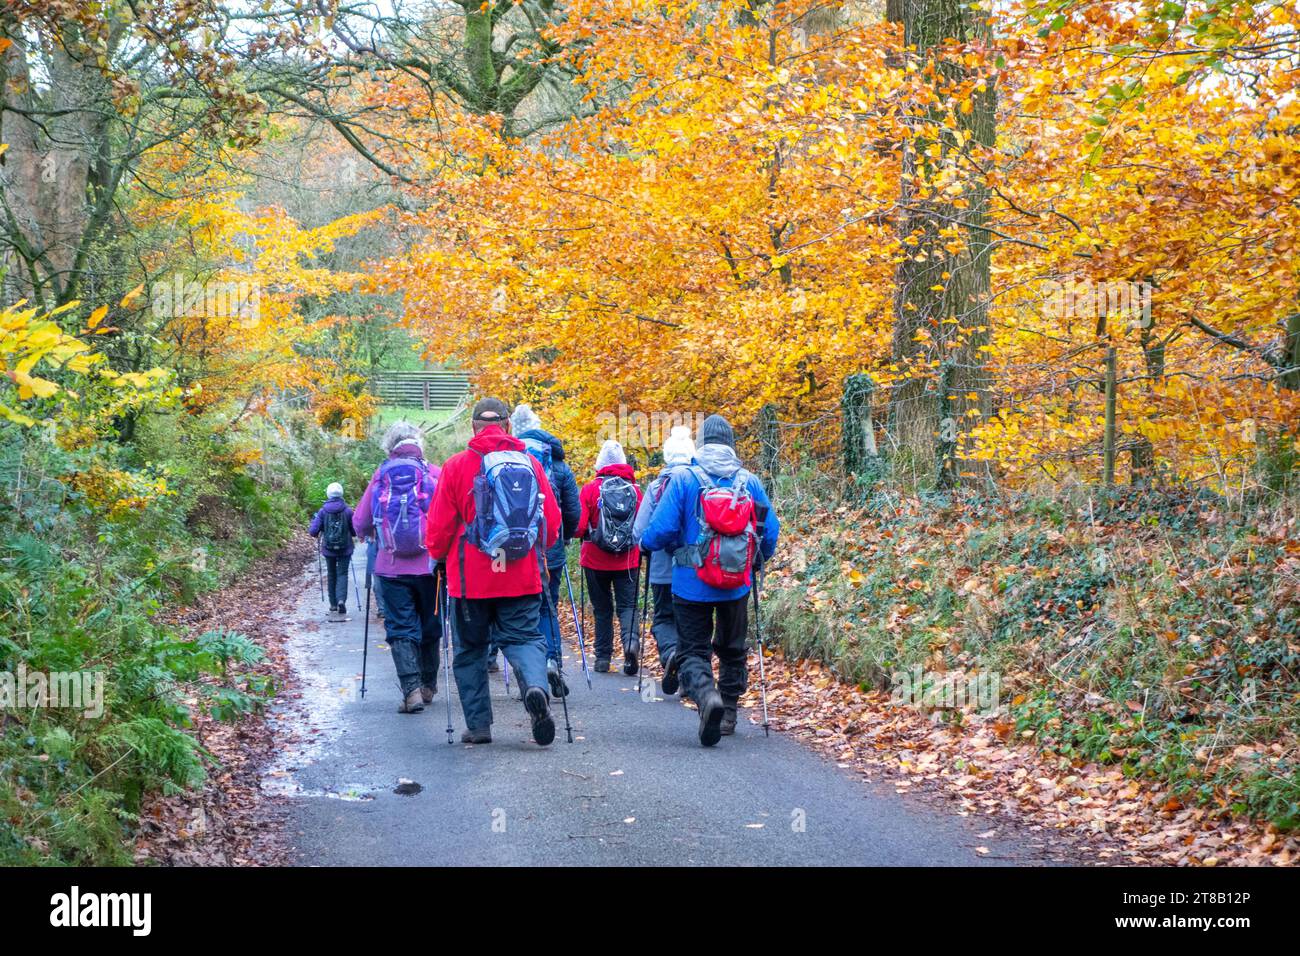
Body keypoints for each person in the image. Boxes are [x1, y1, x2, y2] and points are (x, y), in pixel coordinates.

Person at [424, 398, 562, 746]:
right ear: (508, 426)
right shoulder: (531, 464)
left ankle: (480, 726)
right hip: (522, 575)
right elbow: (552, 525)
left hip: (471, 581)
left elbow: (439, 529)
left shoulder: (455, 467)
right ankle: (534, 686)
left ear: (472, 427)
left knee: (470, 650)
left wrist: (438, 557)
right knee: (525, 639)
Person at [641, 414, 779, 746]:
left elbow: (661, 529)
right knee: (732, 648)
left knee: (692, 650)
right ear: (731, 444)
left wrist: (646, 544)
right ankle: (729, 710)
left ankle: (707, 698)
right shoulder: (749, 480)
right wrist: (754, 564)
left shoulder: (686, 479)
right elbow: (769, 533)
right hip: (736, 584)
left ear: (700, 444)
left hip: (691, 583)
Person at [352, 422, 441, 714]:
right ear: (419, 444)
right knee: (430, 624)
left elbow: (361, 521)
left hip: (390, 568)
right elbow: (449, 518)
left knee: (401, 627)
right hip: (431, 566)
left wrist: (369, 534)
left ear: (390, 447)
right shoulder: (433, 474)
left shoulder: (381, 475)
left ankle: (411, 691)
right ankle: (428, 685)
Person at [511, 403, 582, 697]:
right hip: (549, 546)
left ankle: (533, 674)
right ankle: (552, 660)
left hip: (514, 550)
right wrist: (565, 536)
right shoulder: (558, 465)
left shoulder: (507, 459)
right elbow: (573, 511)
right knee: (548, 606)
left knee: (521, 610)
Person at [632, 425, 695, 694]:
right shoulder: (699, 482)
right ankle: (690, 678)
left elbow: (639, 529)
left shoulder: (658, 486)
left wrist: (646, 546)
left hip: (661, 566)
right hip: (692, 563)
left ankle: (670, 652)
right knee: (692, 620)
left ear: (667, 456)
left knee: (663, 618)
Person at [577, 439, 643, 675]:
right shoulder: (635, 491)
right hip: (627, 559)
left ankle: (603, 658)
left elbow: (579, 526)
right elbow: (642, 526)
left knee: (602, 608)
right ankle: (630, 644)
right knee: (627, 606)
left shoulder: (589, 489)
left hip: (595, 560)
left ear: (600, 463)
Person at [309, 482, 356, 616]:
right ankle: (341, 600)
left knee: (331, 574)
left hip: (328, 549)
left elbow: (313, 531)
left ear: (328, 494)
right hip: (345, 548)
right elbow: (354, 531)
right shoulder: (347, 511)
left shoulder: (323, 511)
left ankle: (333, 604)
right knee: (342, 574)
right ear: (341, 494)